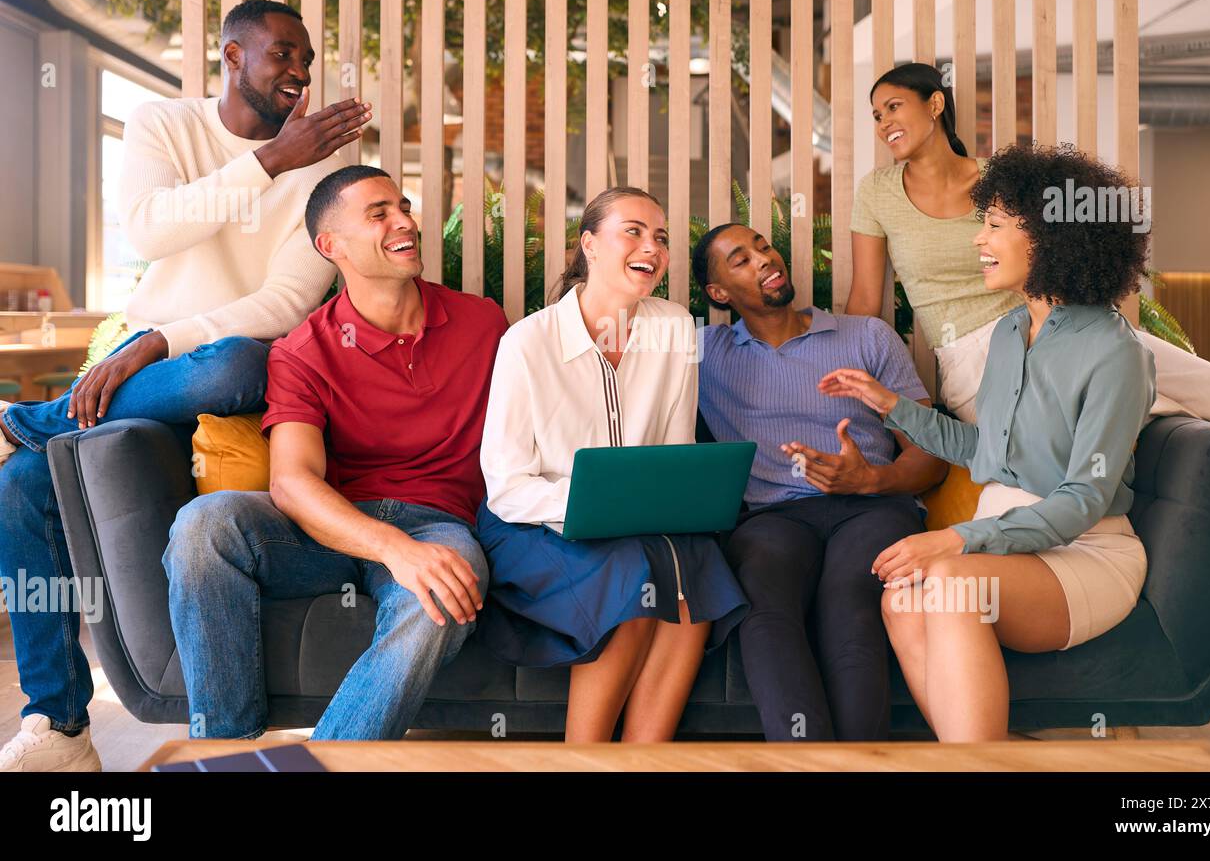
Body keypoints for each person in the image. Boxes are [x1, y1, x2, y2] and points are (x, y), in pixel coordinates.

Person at [0, 0, 372, 771]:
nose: (299, 71)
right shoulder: (162, 125)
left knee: (239, 359)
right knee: (22, 490)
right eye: (282, 54)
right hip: (135, 372)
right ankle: (61, 725)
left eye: (306, 57)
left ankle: (26, 421)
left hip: (212, 369)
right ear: (233, 57)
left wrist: (165, 342)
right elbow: (150, 229)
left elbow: (288, 300)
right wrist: (269, 160)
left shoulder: (324, 167)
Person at [845, 61, 1210, 630]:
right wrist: (864, 393)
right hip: (979, 351)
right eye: (876, 113)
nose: (884, 120)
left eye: (894, 106)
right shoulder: (879, 193)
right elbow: (865, 299)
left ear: (935, 105)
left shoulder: (999, 186)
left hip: (1059, 323)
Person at [825, 143, 1155, 742]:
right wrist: (891, 405)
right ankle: (989, 757)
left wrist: (955, 539)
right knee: (901, 598)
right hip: (1009, 549)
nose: (979, 240)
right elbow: (987, 454)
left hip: (1086, 553)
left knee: (953, 583)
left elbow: (1084, 499)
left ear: (1052, 237)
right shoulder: (1008, 333)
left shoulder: (1114, 352)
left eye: (996, 225)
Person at [164, 165, 507, 740]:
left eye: (403, 207)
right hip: (327, 527)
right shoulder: (304, 351)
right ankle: (224, 750)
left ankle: (324, 761)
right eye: (379, 214)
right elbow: (292, 483)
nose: (405, 222)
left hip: (439, 524)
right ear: (331, 246)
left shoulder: (483, 323)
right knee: (203, 524)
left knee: (446, 588)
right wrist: (392, 548)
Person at [476, 186, 748, 743]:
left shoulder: (675, 328)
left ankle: (644, 757)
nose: (653, 245)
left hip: (639, 523)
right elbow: (505, 486)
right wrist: (596, 507)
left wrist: (667, 502)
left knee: (694, 565)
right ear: (589, 245)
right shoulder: (526, 343)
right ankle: (584, 758)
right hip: (533, 524)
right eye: (634, 230)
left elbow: (675, 453)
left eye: (662, 236)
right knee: (631, 572)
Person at [692, 223, 947, 741]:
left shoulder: (866, 336)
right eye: (740, 259)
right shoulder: (701, 354)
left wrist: (871, 479)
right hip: (772, 518)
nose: (764, 258)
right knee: (760, 607)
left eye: (762, 245)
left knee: (848, 601)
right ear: (718, 294)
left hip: (874, 509)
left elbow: (934, 456)